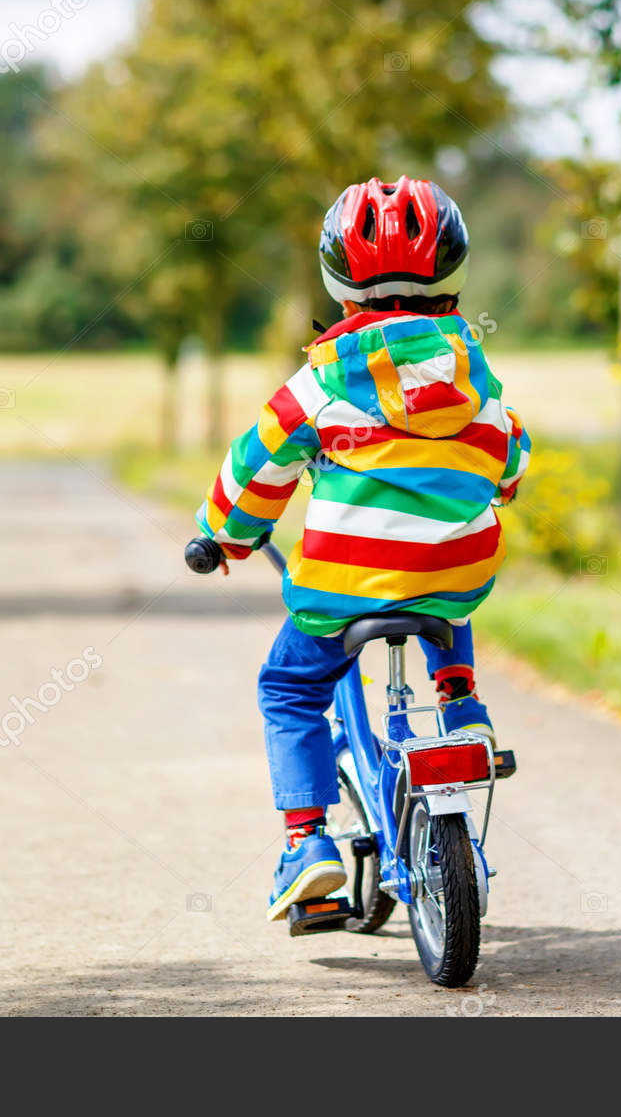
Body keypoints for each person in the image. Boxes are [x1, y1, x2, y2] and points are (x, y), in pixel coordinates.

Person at [194, 176, 530, 921]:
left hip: (346, 588)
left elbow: (256, 466)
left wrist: (226, 535)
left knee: (289, 688)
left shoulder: (321, 383)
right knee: (445, 570)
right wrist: (501, 483)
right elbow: (510, 449)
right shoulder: (475, 372)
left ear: (340, 290)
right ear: (453, 281)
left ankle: (307, 844)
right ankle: (460, 699)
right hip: (455, 571)